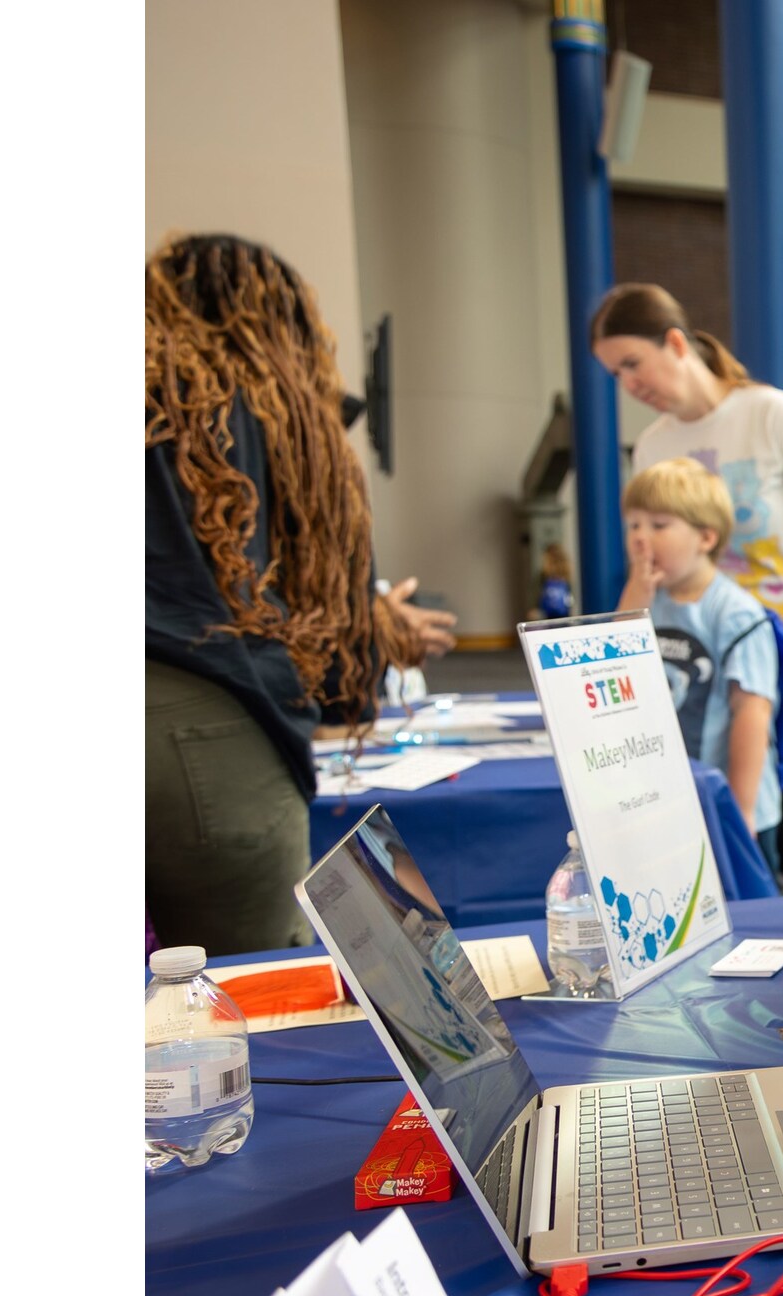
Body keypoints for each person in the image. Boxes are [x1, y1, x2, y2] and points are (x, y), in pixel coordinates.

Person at [146, 233, 454, 953]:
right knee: (246, 993)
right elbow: (335, 630)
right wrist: (377, 637)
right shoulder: (282, 412)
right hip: (208, 726)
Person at [592, 284, 783, 893]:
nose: (628, 383)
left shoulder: (774, 415)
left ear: (677, 342)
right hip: (712, 675)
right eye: (615, 373)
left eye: (632, 362)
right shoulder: (655, 444)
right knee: (731, 849)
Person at [617, 458, 783, 872]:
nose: (640, 539)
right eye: (633, 525)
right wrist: (636, 594)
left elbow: (752, 713)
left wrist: (741, 811)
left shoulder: (735, 613)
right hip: (668, 798)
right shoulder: (646, 600)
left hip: (727, 799)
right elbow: (611, 662)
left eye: (658, 525)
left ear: (706, 537)